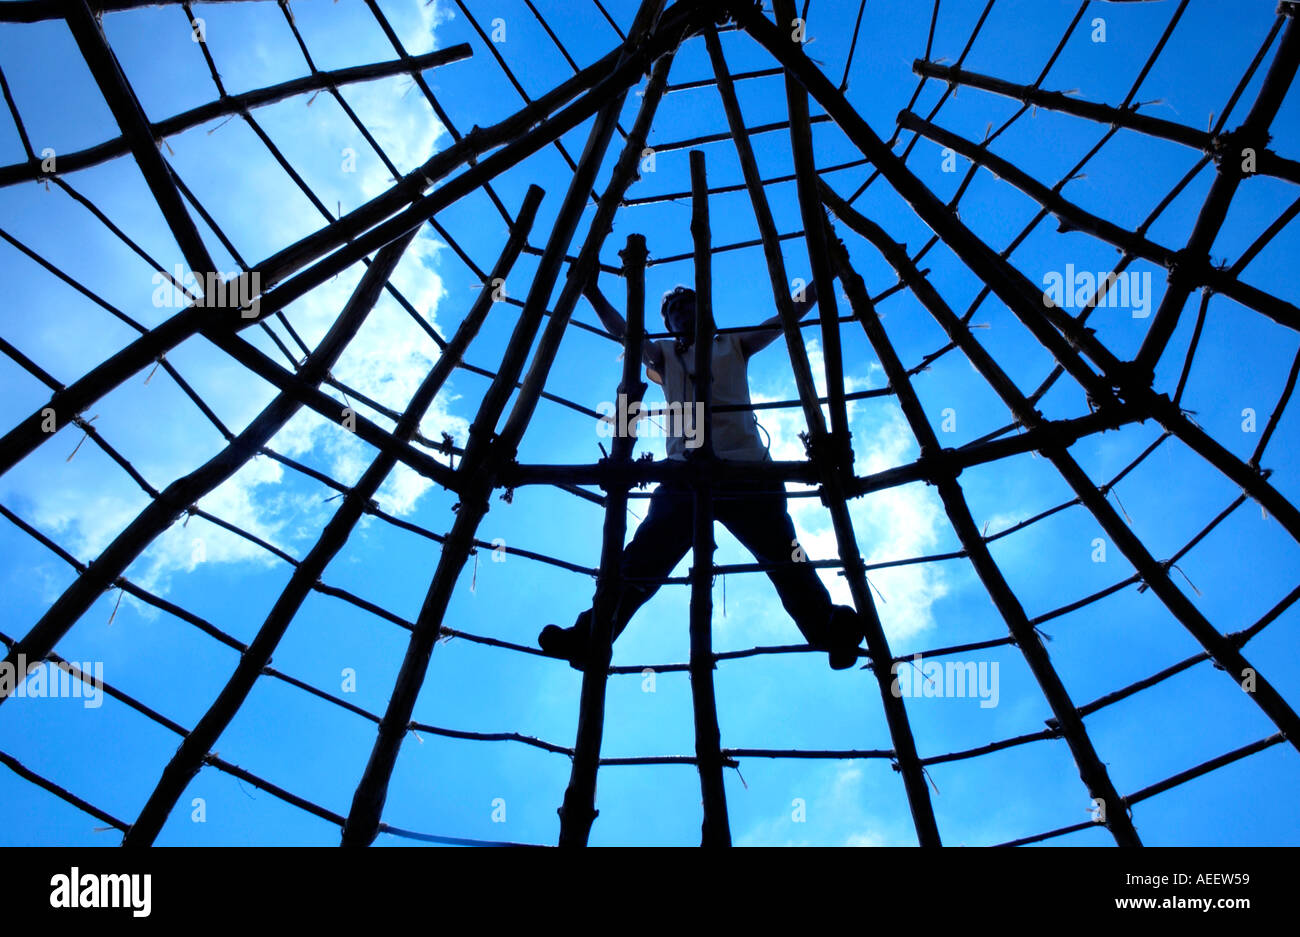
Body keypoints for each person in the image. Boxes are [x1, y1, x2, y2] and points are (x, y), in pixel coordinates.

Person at [537, 277, 864, 670]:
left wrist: (818, 279)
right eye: (673, 311)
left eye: (687, 305)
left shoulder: (733, 343)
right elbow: (626, 334)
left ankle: (829, 631)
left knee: (784, 556)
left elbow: (786, 316)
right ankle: (590, 636)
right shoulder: (663, 357)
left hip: (746, 469)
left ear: (705, 310)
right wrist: (592, 293)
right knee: (641, 561)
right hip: (684, 474)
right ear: (669, 324)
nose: (681, 313)